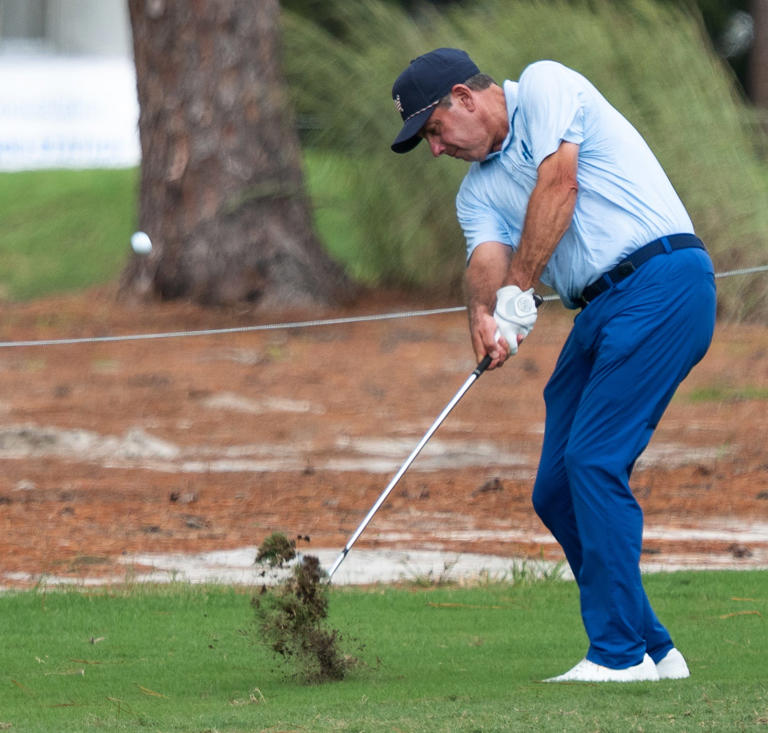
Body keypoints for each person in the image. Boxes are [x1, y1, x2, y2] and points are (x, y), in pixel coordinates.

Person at [390, 48, 716, 682]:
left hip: (663, 280)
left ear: (464, 97)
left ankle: (617, 656)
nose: (435, 149)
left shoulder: (545, 85)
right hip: (600, 311)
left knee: (593, 461)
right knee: (557, 489)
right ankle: (653, 648)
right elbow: (486, 257)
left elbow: (559, 185)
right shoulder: (476, 190)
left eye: (434, 130)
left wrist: (521, 287)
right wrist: (485, 317)